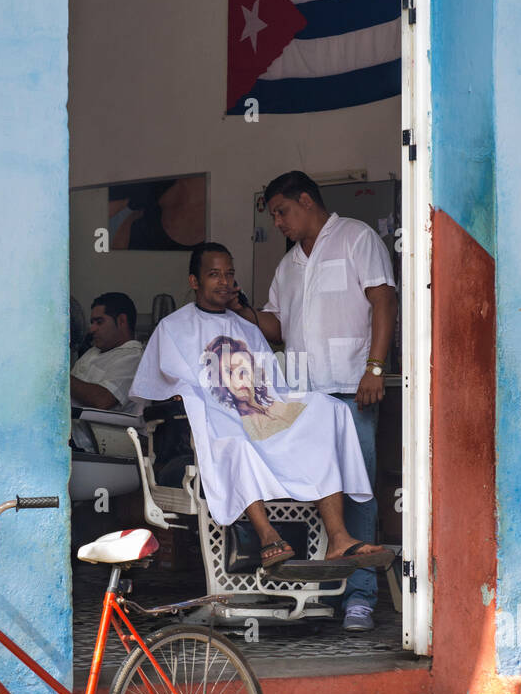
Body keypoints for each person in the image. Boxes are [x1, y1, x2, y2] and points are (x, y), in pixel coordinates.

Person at [130, 242, 394, 573]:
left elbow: (272, 387)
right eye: (214, 275)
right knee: (236, 441)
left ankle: (339, 538)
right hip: (211, 426)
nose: (224, 282)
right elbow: (161, 389)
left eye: (229, 274)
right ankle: (268, 536)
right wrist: (199, 403)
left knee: (325, 411)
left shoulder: (247, 328)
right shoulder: (173, 328)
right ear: (194, 281)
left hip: (257, 415)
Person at [231, 172, 398, 631]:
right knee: (311, 488)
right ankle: (325, 588)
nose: (279, 222)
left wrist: (376, 367)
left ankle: (360, 597)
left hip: (350, 387)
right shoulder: (288, 266)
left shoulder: (356, 238)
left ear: (307, 200)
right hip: (303, 396)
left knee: (357, 490)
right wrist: (243, 311)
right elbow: (277, 328)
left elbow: (384, 302)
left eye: (282, 211)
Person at [71, 292, 144, 419]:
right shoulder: (92, 352)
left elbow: (103, 400)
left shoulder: (134, 357)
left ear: (121, 321)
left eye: (99, 322)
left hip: (97, 438)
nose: (92, 329)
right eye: (92, 323)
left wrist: (59, 377)